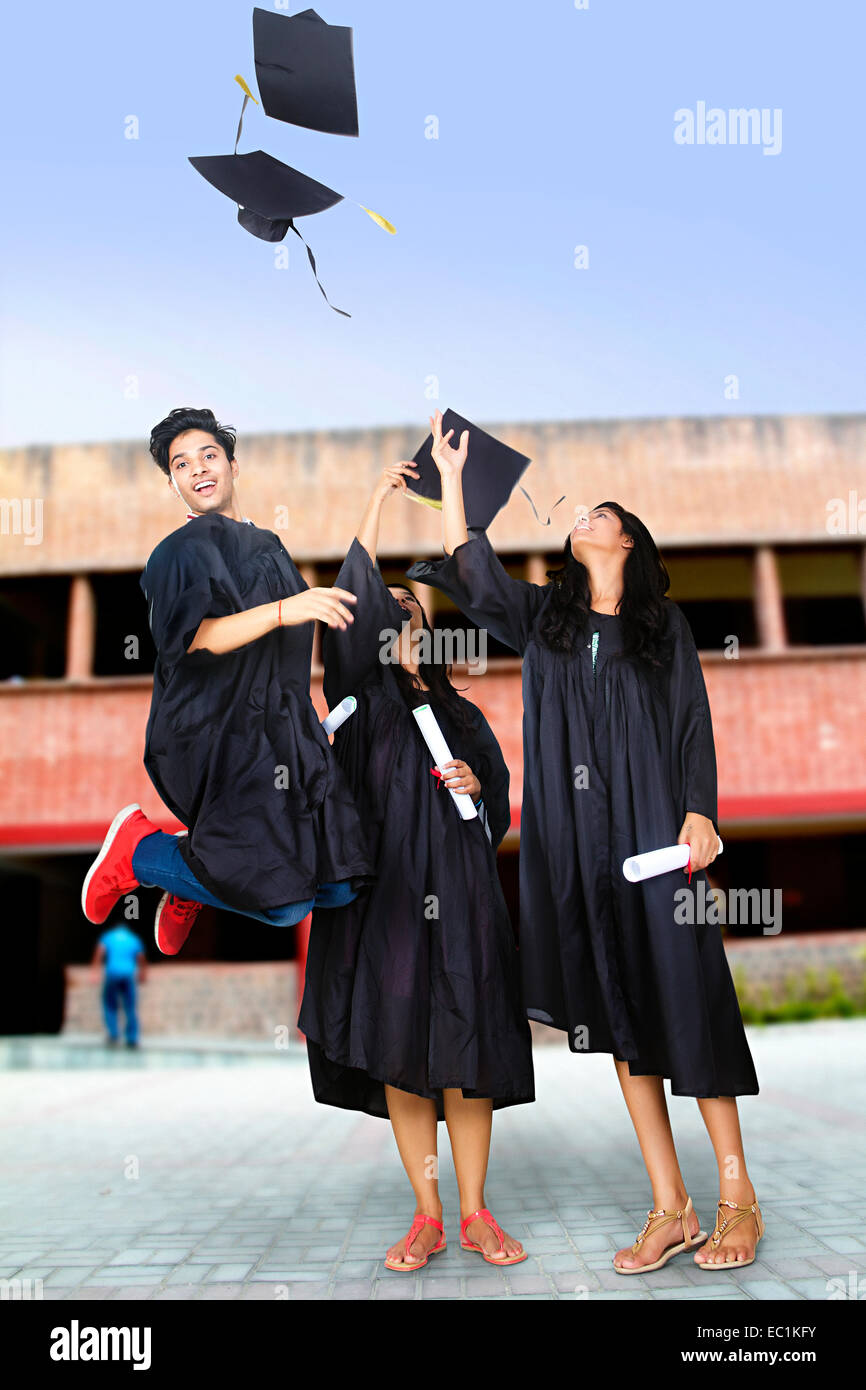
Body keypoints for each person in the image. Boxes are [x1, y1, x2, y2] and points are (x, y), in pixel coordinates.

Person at [405, 410, 764, 1274]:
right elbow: (474, 574)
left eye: (604, 513)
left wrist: (700, 809)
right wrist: (453, 481)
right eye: (583, 515)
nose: (586, 518)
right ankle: (670, 1207)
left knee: (693, 1000)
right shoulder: (547, 622)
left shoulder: (662, 628)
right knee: (621, 1018)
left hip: (655, 839)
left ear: (631, 542)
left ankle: (737, 1199)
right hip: (579, 851)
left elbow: (693, 721)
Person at [298, 460, 535, 1272]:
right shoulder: (356, 685)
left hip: (462, 892)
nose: (397, 610)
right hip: (387, 892)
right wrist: (375, 498)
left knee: (467, 1043)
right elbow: (352, 583)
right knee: (400, 1044)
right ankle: (427, 1216)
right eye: (383, 605)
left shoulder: (460, 711)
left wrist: (477, 787)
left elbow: (497, 804)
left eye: (411, 605)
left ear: (429, 629)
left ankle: (475, 1213)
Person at [81, 407, 374, 954]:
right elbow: (196, 638)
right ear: (174, 485)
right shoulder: (180, 552)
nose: (198, 469)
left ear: (233, 465)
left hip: (288, 732)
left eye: (208, 455)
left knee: (336, 883)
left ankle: (192, 866)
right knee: (284, 903)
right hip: (221, 731)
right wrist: (287, 610)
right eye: (181, 464)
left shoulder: (269, 546)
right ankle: (140, 851)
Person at [90, 917, 147, 1048]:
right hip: (128, 974)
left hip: (113, 972)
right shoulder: (133, 938)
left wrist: (95, 971)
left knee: (110, 1003)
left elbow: (99, 952)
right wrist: (143, 973)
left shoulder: (109, 936)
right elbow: (141, 957)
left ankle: (113, 1034)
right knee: (130, 1006)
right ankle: (132, 1038)